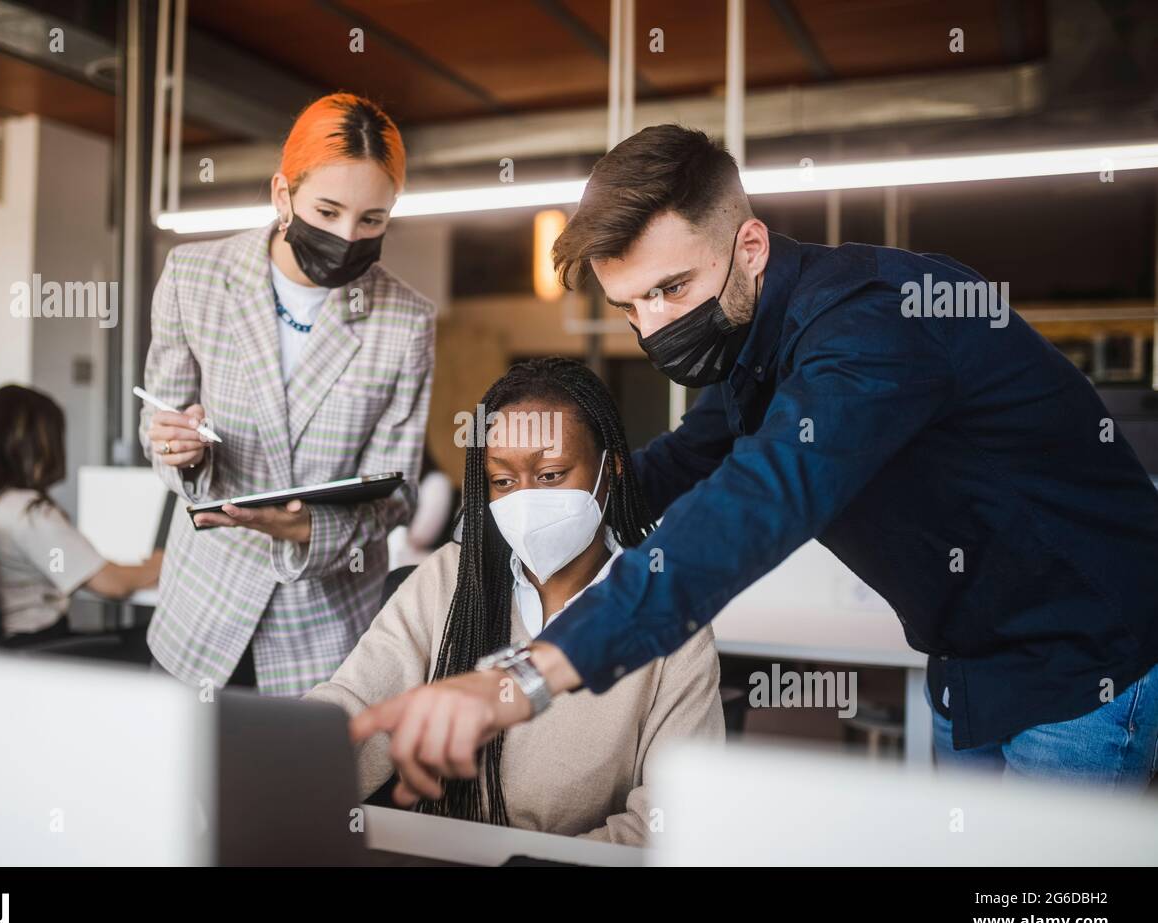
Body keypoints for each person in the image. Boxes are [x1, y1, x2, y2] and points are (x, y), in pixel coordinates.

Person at [354, 123, 1158, 802]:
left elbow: (758, 500)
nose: (654, 325)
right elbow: (679, 462)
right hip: (972, 658)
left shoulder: (871, 329)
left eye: (672, 288)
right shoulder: (754, 347)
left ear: (750, 245)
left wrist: (523, 678)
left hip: (1086, 660)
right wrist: (522, 523)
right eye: (630, 305)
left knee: (1047, 911)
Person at [306, 358, 724, 844]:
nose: (524, 500)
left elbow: (667, 817)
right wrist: (273, 756)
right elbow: (355, 703)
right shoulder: (448, 577)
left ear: (609, 472)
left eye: (549, 475)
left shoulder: (672, 620)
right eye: (503, 482)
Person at [141, 93, 435, 695]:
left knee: (300, 791)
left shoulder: (406, 321)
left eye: (372, 220)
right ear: (284, 196)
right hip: (200, 612)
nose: (347, 235)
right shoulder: (193, 278)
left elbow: (395, 495)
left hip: (324, 633)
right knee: (177, 787)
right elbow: (163, 429)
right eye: (326, 211)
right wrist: (180, 452)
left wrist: (304, 530)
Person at [0, 384, 160, 651]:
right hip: (39, 656)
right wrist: (158, 563)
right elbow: (113, 585)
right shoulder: (27, 513)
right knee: (156, 641)